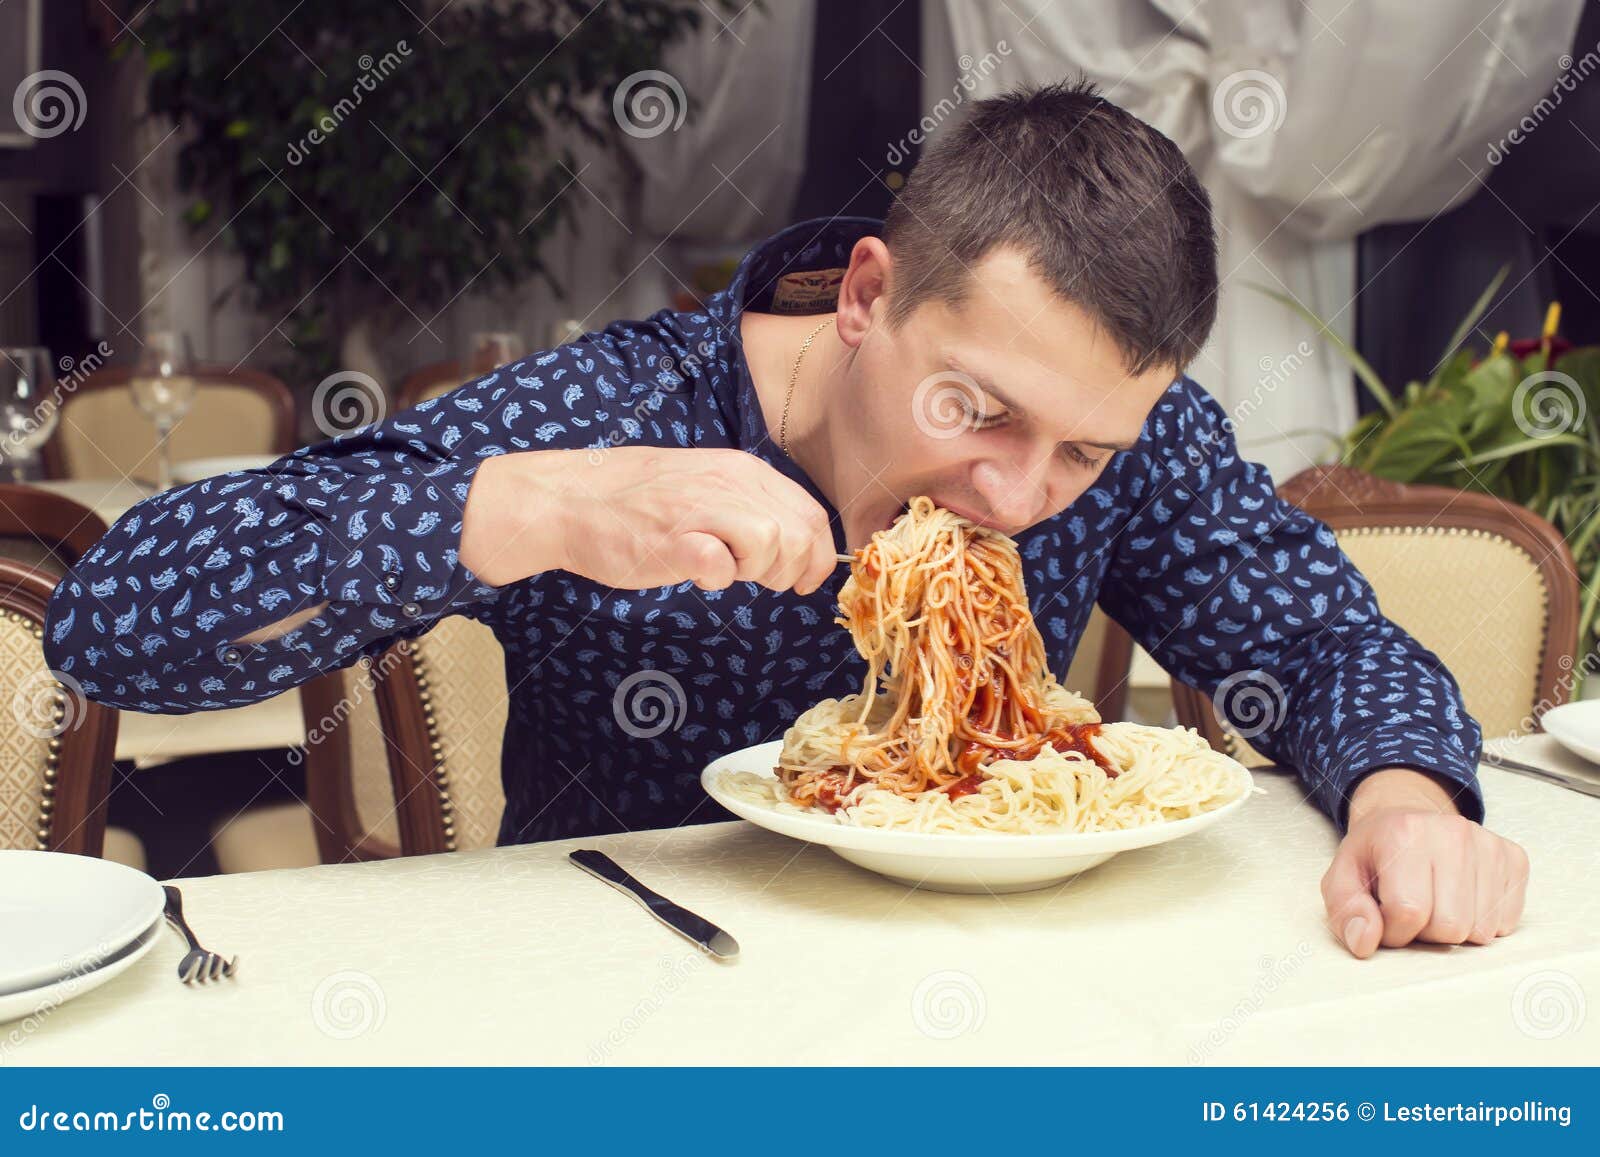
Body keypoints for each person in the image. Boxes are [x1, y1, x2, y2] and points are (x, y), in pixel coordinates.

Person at [44, 81, 1526, 959]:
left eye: (1081, 450)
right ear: (869, 296)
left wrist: (1409, 793)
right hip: (635, 1009)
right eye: (978, 410)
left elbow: (1326, 638)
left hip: (1008, 998)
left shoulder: (1129, 440)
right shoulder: (618, 412)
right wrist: (525, 504)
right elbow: (116, 627)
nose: (1015, 493)